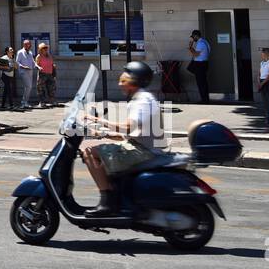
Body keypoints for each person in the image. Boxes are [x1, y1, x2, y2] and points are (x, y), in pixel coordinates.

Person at [79, 62, 166, 216]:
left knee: (89, 153)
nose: (120, 84)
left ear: (134, 81)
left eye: (123, 81)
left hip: (143, 151)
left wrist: (96, 119)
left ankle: (108, 203)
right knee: (103, 151)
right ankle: (118, 195)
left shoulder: (142, 100)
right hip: (141, 147)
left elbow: (128, 127)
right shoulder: (143, 98)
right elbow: (132, 133)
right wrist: (103, 134)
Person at [187, 30, 211, 102]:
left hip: (200, 65)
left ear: (196, 36)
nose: (193, 39)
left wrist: (190, 47)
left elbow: (195, 54)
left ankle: (204, 99)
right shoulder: (205, 42)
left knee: (201, 83)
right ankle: (205, 98)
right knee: (203, 82)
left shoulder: (200, 43)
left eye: (193, 37)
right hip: (204, 63)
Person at [14, 39, 37, 111]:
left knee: (28, 87)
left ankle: (25, 102)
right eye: (27, 44)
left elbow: (33, 62)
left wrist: (37, 66)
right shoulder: (20, 52)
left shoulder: (30, 52)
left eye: (29, 44)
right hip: (23, 72)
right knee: (29, 86)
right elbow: (17, 62)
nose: (28, 45)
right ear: (23, 45)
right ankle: (23, 102)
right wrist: (24, 67)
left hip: (30, 71)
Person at [36, 41, 57, 108]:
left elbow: (52, 63)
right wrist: (39, 67)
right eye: (44, 48)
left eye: (46, 48)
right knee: (41, 89)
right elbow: (36, 64)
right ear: (40, 50)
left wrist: (54, 66)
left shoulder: (49, 56)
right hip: (42, 74)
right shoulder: (39, 56)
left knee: (51, 88)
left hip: (50, 74)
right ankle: (42, 102)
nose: (45, 49)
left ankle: (52, 101)